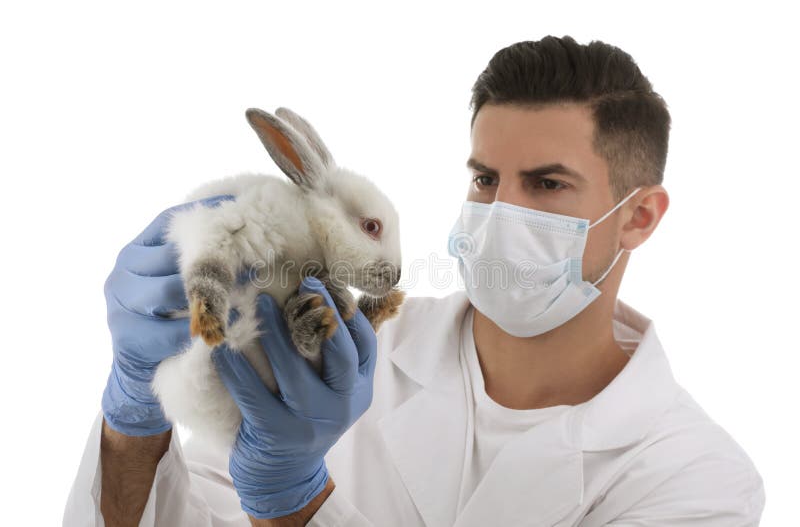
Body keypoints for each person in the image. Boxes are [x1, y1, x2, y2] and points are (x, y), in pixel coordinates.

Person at [64, 35, 765, 526]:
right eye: (486, 179)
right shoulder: (340, 348)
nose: (499, 213)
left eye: (547, 184)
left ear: (638, 216)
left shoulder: (697, 479)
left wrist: (291, 502)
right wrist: (136, 416)